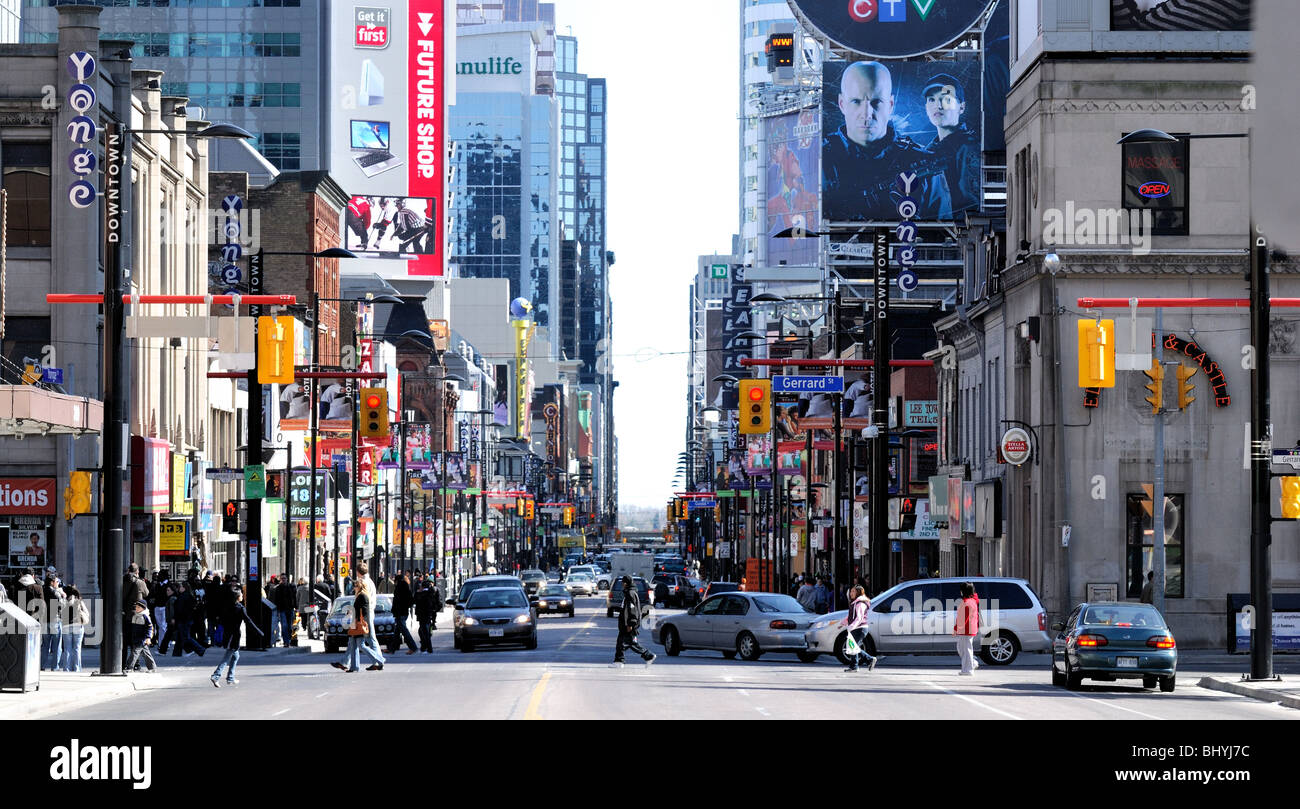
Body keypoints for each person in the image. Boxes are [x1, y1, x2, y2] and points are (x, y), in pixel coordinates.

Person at [822, 61, 950, 221]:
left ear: (890, 105)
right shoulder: (819, 161)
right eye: (856, 101)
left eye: (876, 102)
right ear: (842, 104)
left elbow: (942, 232)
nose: (867, 113)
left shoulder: (925, 164)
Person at [921, 73, 980, 216]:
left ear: (962, 107)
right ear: (926, 107)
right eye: (931, 99)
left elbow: (973, 204)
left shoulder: (969, 147)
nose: (938, 105)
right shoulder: (926, 151)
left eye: (946, 99)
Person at [331, 570, 386, 672]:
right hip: (355, 622)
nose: (354, 588)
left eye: (355, 586)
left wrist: (355, 616)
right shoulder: (360, 596)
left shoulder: (363, 596)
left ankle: (379, 659)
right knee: (353, 644)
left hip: (359, 623)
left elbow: (363, 611)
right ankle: (353, 666)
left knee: (361, 645)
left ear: (359, 587)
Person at [210, 584, 264, 687]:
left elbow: (221, 620)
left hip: (228, 634)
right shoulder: (240, 608)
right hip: (233, 636)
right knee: (227, 657)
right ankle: (216, 675)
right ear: (237, 597)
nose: (243, 596)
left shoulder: (226, 606)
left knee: (235, 656)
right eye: (241, 594)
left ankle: (230, 678)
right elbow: (248, 621)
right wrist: (259, 632)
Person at [611, 575, 655, 667]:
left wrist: (631, 623)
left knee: (626, 643)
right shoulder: (630, 592)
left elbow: (632, 610)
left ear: (626, 583)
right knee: (625, 643)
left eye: (623, 583)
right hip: (625, 623)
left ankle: (648, 656)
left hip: (628, 624)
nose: (622, 584)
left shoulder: (630, 593)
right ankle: (619, 661)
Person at [842, 584, 878, 672]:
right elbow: (852, 616)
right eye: (851, 591)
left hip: (859, 628)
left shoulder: (860, 603)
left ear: (858, 592)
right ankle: (857, 665)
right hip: (857, 627)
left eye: (853, 591)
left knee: (853, 646)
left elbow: (859, 617)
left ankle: (862, 662)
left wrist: (852, 626)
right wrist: (843, 622)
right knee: (853, 646)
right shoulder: (855, 602)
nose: (851, 593)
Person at [170, 581, 206, 658]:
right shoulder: (186, 595)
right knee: (180, 636)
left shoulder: (184, 596)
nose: (179, 588)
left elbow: (180, 609)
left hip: (184, 620)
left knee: (186, 637)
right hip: (186, 619)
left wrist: (175, 617)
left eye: (181, 587)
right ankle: (176, 653)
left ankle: (200, 649)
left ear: (184, 588)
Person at [953, 581, 980, 675]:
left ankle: (968, 670)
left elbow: (962, 618)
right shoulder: (973, 601)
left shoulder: (966, 602)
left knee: (965, 649)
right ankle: (972, 664)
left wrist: (957, 628)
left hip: (966, 630)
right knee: (962, 648)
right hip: (970, 629)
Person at [124, 600, 157, 673]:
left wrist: (148, 638)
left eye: (138, 607)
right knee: (146, 654)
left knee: (135, 653)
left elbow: (149, 628)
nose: (136, 608)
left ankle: (129, 667)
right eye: (136, 607)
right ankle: (152, 667)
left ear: (143, 608)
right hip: (136, 638)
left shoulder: (145, 616)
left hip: (142, 639)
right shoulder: (135, 615)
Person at [61, 585, 89, 672]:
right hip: (77, 625)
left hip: (66, 626)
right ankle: (77, 669)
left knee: (67, 649)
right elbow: (86, 612)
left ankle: (66, 669)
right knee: (77, 648)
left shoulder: (62, 600)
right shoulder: (78, 601)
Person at [390, 572, 418, 655]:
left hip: (400, 612)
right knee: (397, 631)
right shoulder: (405, 588)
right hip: (403, 612)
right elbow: (411, 601)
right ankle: (392, 648)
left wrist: (397, 609)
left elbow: (397, 602)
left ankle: (413, 647)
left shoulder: (400, 588)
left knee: (404, 631)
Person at [41, 574, 65, 670]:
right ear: (52, 582)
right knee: (57, 645)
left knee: (45, 645)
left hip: (44, 620)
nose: (57, 583)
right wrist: (63, 596)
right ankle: (54, 667)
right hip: (54, 620)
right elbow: (62, 605)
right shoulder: (55, 592)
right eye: (56, 581)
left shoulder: (42, 590)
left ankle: (41, 665)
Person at [414, 578, 437, 652]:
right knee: (424, 631)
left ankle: (427, 647)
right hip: (428, 614)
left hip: (423, 615)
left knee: (424, 631)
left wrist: (418, 592)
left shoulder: (422, 594)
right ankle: (425, 646)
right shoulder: (430, 593)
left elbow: (415, 600)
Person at [274, 575, 297, 646]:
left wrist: (296, 607)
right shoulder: (278, 588)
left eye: (284, 578)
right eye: (282, 579)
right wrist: (277, 610)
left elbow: (294, 597)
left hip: (290, 609)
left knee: (290, 626)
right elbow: (276, 600)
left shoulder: (291, 587)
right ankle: (286, 641)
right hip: (282, 609)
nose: (283, 580)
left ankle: (289, 639)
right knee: (284, 626)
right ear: (280, 580)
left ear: (287, 579)